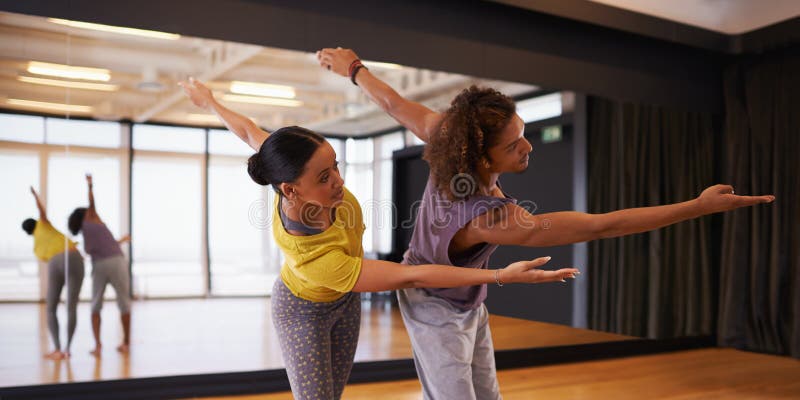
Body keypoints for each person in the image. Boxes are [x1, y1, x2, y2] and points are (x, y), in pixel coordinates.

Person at [317, 47, 777, 400]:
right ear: (481, 155)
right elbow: (602, 226)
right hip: (434, 304)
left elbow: (394, 104)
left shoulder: (448, 140)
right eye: (515, 144)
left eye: (524, 135)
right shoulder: (493, 220)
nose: (528, 148)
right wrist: (695, 207)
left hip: (466, 298)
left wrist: (355, 68)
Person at [178, 77, 579, 400]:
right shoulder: (315, 259)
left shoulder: (286, 163)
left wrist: (210, 101)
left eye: (334, 166)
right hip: (302, 309)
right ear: (290, 190)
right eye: (324, 177)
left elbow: (248, 130)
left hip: (344, 301)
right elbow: (411, 277)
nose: (338, 180)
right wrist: (499, 277)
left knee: (336, 391)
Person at [68, 174, 132, 356]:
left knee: (116, 303)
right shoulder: (90, 227)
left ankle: (118, 343)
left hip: (110, 263)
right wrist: (90, 186)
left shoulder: (91, 223)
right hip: (106, 264)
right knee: (100, 304)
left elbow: (92, 204)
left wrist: (90, 186)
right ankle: (101, 345)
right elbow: (107, 246)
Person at [22, 187, 85, 360]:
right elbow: (41, 211)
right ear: (35, 223)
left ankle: (57, 349)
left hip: (54, 262)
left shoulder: (36, 248)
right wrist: (35, 195)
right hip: (73, 256)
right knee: (71, 305)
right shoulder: (43, 224)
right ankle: (67, 349)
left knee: (51, 308)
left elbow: (49, 259)